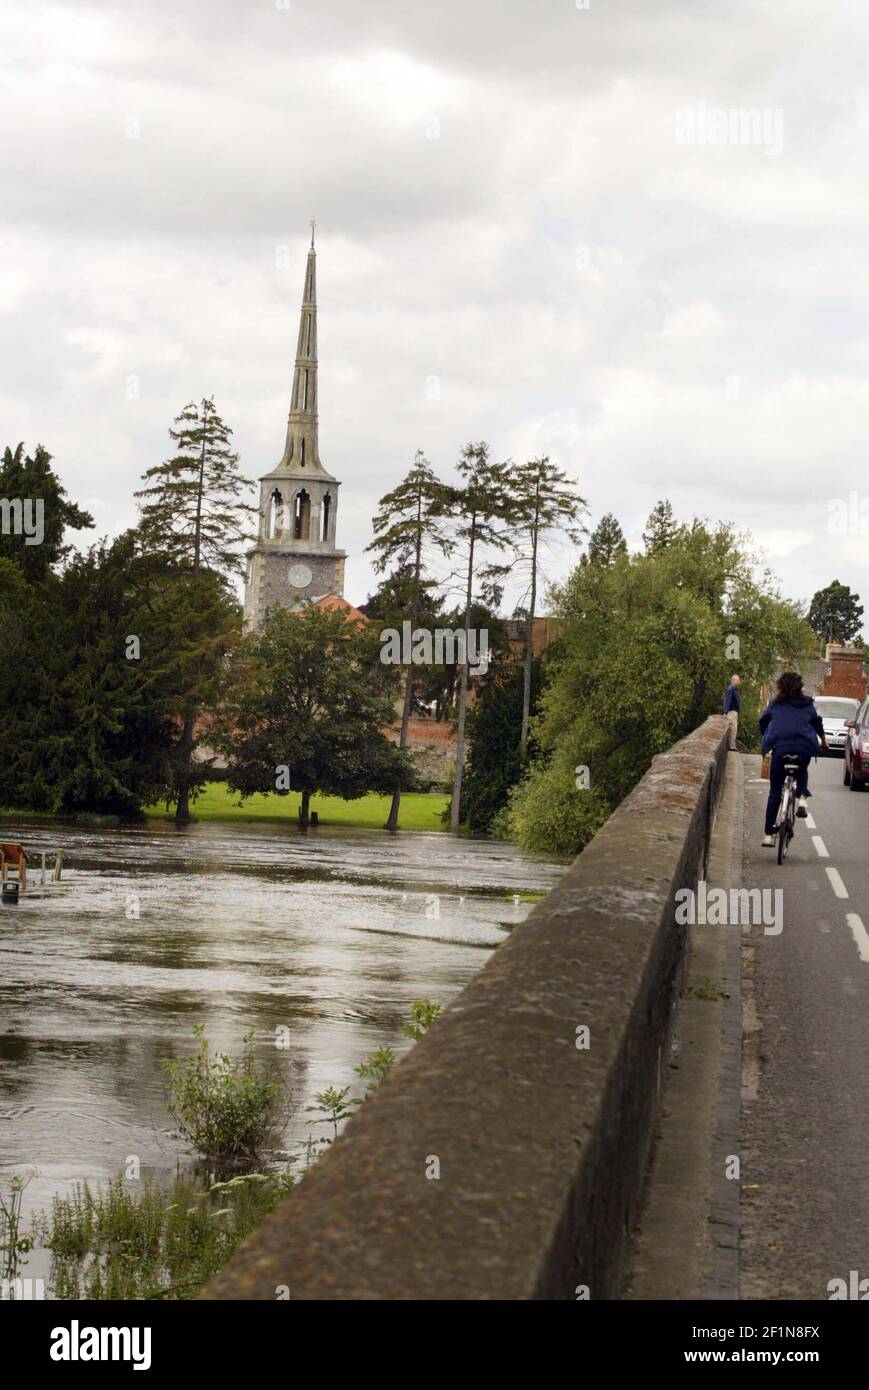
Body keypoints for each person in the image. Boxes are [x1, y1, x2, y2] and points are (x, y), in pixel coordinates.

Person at [759, 672, 827, 847]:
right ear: (800, 687)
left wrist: (767, 737)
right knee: (802, 769)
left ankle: (768, 834)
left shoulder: (775, 704)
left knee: (775, 791)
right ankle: (802, 797)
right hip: (804, 748)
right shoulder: (807, 704)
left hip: (780, 749)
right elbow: (817, 723)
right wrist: (823, 741)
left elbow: (763, 721)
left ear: (780, 686)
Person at [723, 673, 741, 747]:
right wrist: (725, 712)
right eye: (738, 680)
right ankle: (731, 746)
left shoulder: (735, 690)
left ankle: (731, 745)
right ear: (733, 680)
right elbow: (728, 701)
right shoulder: (730, 689)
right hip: (731, 712)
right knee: (732, 729)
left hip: (735, 712)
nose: (739, 682)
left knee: (734, 729)